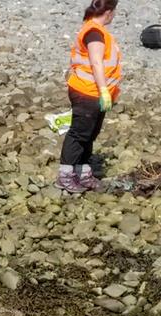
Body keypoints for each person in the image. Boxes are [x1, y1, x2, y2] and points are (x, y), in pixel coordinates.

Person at [56, 0, 122, 194]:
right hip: (87, 91)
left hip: (95, 92)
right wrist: (103, 90)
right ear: (108, 12)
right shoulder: (94, 33)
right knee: (79, 133)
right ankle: (65, 175)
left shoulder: (96, 30)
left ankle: (82, 171)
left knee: (90, 132)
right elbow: (96, 62)